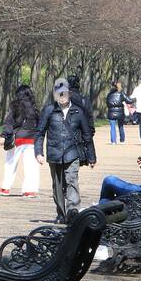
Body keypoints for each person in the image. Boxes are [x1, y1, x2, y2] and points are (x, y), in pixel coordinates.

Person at [35, 77, 96, 223]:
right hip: (54, 153)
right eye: (59, 94)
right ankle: (61, 214)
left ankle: (73, 212)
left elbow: (87, 135)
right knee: (57, 185)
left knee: (71, 180)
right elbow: (40, 132)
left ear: (69, 94)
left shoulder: (78, 111)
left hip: (72, 152)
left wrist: (92, 157)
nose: (62, 97)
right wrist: (38, 152)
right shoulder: (49, 110)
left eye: (64, 93)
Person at [0, 84, 40, 197]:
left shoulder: (15, 106)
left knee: (10, 163)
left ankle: (5, 188)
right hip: (32, 139)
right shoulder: (34, 107)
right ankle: (29, 190)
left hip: (18, 139)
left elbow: (9, 122)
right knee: (31, 166)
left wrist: (4, 135)